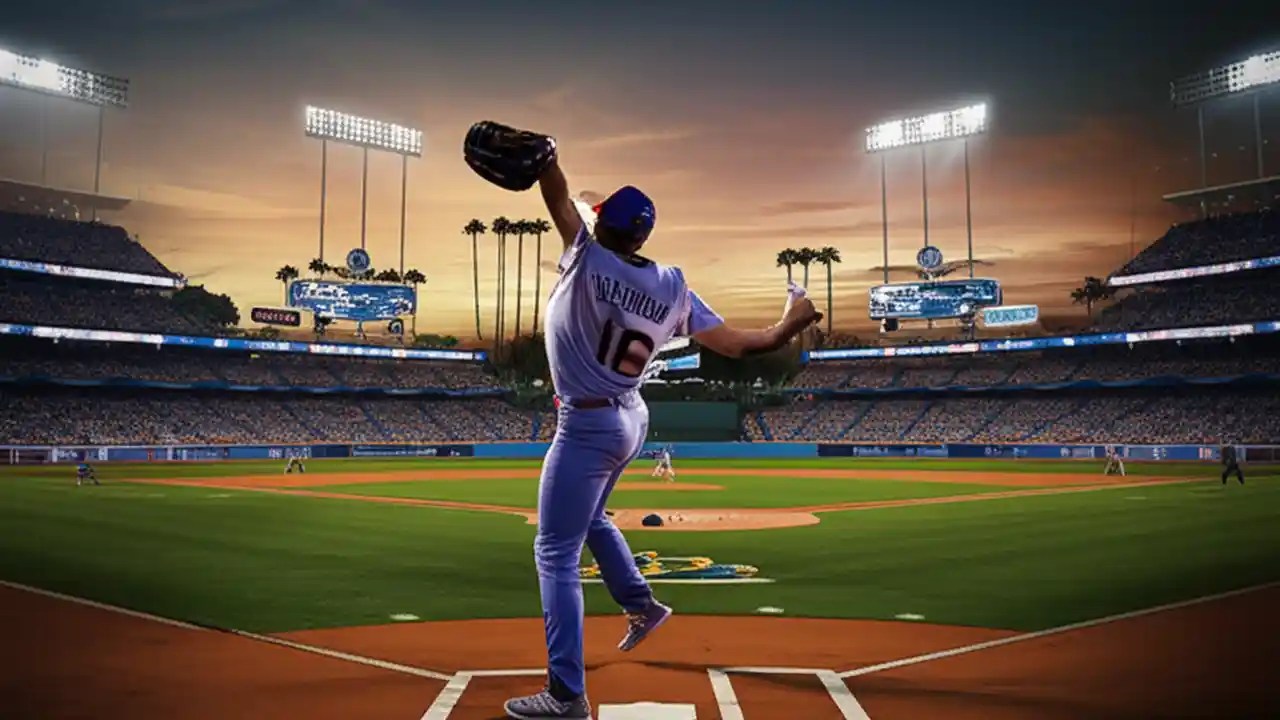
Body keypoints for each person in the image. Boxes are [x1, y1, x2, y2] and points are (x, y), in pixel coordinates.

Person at [501, 151, 822, 720]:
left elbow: (555, 193)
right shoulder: (673, 285)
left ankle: (566, 694)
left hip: (586, 422)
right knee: (593, 518)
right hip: (630, 416)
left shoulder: (586, 257)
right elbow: (746, 345)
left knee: (553, 553)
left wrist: (546, 155)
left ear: (604, 225)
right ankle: (642, 605)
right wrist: (790, 321)